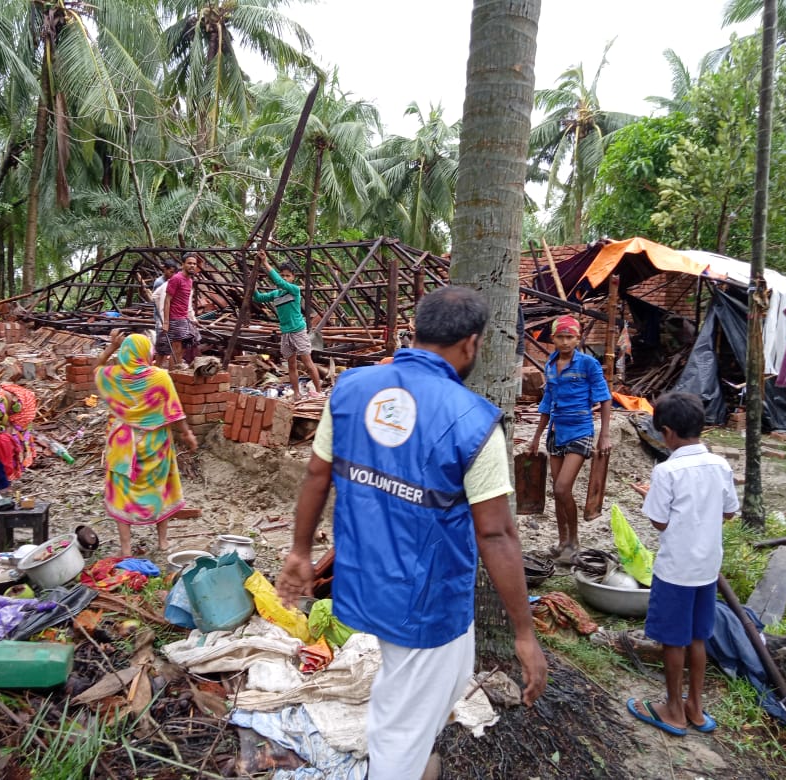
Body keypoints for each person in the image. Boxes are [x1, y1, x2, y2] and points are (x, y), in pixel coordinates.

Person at [277, 286, 547, 780]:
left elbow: (318, 474)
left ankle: (412, 752)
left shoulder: (352, 390)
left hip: (365, 582)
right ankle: (400, 763)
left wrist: (299, 551)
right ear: (470, 344)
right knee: (406, 719)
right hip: (427, 600)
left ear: (417, 332)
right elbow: (497, 536)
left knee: (431, 684)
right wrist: (524, 632)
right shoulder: (474, 421)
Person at [627, 391, 738, 737]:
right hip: (707, 567)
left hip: (676, 569)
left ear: (668, 431)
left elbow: (660, 521)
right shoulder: (720, 465)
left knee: (673, 640)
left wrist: (650, 496)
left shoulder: (667, 470)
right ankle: (696, 707)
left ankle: (672, 709)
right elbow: (729, 511)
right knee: (697, 637)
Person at [94, 330, 197, 556]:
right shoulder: (159, 377)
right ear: (145, 353)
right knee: (160, 488)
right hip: (155, 444)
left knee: (122, 492)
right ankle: (162, 541)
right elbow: (174, 411)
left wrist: (111, 347)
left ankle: (126, 548)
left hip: (122, 444)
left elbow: (96, 368)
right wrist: (187, 434)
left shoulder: (113, 376)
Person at [527, 314, 612, 564]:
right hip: (556, 430)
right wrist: (535, 436)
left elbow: (605, 398)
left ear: (578, 338)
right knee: (558, 490)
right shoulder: (551, 365)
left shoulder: (588, 364)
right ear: (553, 338)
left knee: (563, 487)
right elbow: (546, 402)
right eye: (560, 337)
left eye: (570, 337)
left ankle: (574, 541)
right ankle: (562, 541)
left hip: (581, 430)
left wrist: (604, 435)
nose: (565, 342)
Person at [251, 251, 323, 401]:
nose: (284, 278)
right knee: (291, 365)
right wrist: (252, 283)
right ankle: (296, 394)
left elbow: (280, 283)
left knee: (308, 364)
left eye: (287, 275)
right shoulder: (276, 294)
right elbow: (258, 298)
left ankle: (319, 392)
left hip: (298, 331)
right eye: (282, 275)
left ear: (293, 278)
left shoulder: (294, 290)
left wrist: (265, 263)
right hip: (286, 333)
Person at [157, 253, 200, 370]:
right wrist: (165, 322)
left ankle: (173, 373)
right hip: (174, 318)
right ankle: (172, 376)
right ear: (183, 265)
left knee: (187, 344)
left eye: (194, 264)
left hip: (183, 318)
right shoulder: (176, 279)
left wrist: (192, 318)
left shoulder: (189, 281)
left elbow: (187, 302)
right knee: (174, 349)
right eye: (189, 263)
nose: (192, 266)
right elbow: (167, 300)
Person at [149, 260, 180, 349]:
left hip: (168, 312)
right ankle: (159, 352)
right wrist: (162, 317)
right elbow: (157, 301)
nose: (172, 274)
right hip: (160, 313)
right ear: (164, 269)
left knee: (168, 336)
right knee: (161, 335)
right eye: (170, 272)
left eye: (174, 273)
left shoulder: (171, 281)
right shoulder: (160, 282)